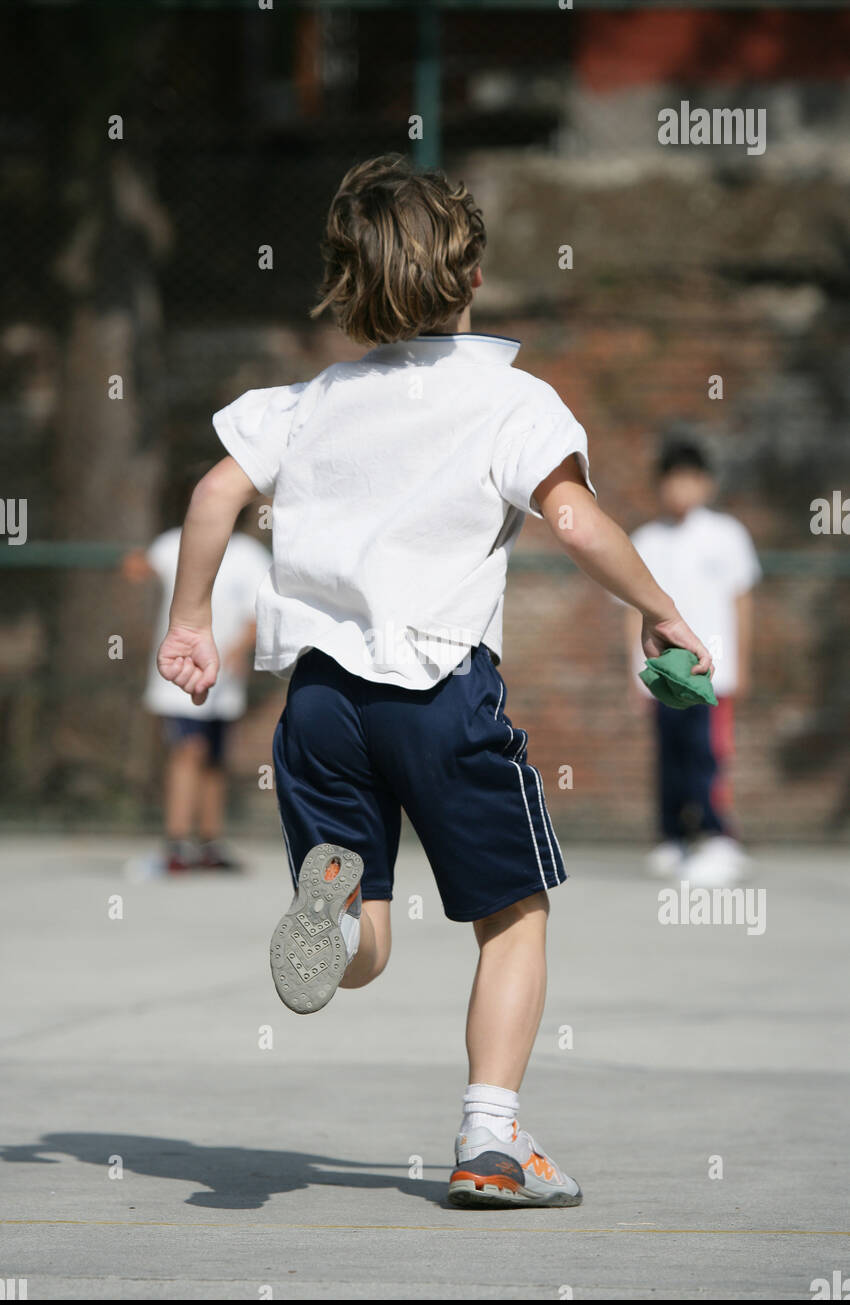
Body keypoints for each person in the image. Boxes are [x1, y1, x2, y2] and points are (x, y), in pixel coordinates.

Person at [156, 154, 712, 1208]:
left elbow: (212, 492)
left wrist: (188, 619)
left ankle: (335, 907)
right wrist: (654, 607)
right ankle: (489, 1140)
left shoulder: (313, 400)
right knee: (512, 913)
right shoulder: (508, 400)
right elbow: (577, 522)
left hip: (318, 703)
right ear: (469, 277)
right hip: (439, 693)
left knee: (364, 930)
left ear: (347, 284)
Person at [624, 441, 761, 886]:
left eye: (690, 477)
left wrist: (741, 663)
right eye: (672, 478)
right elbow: (632, 610)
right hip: (665, 675)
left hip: (713, 676)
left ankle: (718, 838)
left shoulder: (727, 534)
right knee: (670, 757)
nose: (681, 488)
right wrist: (636, 674)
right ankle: (673, 837)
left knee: (708, 755)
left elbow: (742, 601)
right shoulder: (645, 539)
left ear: (706, 483)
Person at [124, 519, 270, 872]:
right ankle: (176, 843)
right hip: (181, 675)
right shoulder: (174, 542)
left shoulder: (249, 555)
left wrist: (235, 653)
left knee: (216, 760)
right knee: (189, 750)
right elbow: (137, 567)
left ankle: (209, 844)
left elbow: (256, 615)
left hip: (225, 679)